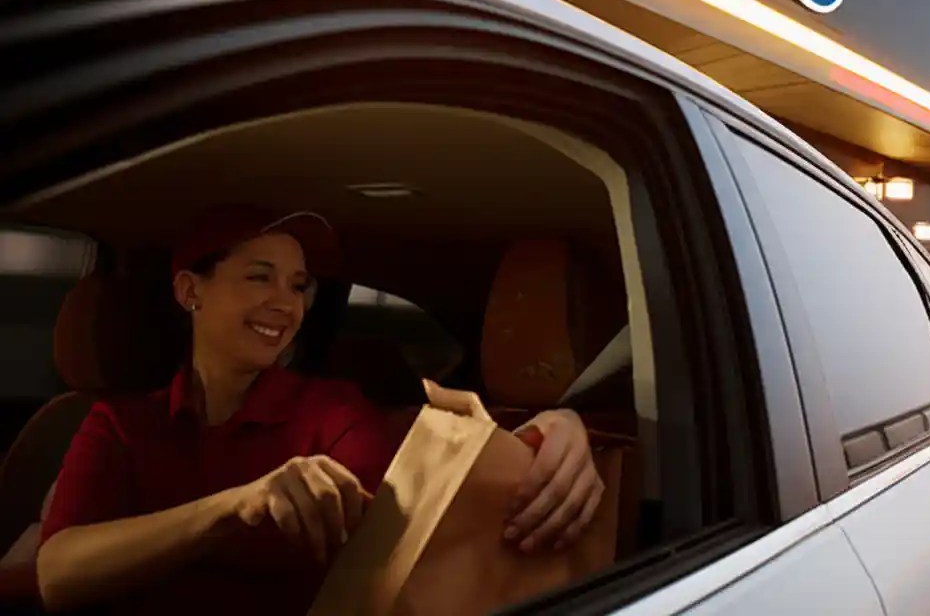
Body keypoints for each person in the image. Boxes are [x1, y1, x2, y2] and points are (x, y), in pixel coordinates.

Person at [36, 206, 603, 614]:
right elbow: (58, 575)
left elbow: (418, 524)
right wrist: (232, 508)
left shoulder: (332, 412)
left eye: (300, 285)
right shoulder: (121, 424)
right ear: (191, 291)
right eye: (260, 276)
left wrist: (549, 433)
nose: (285, 303)